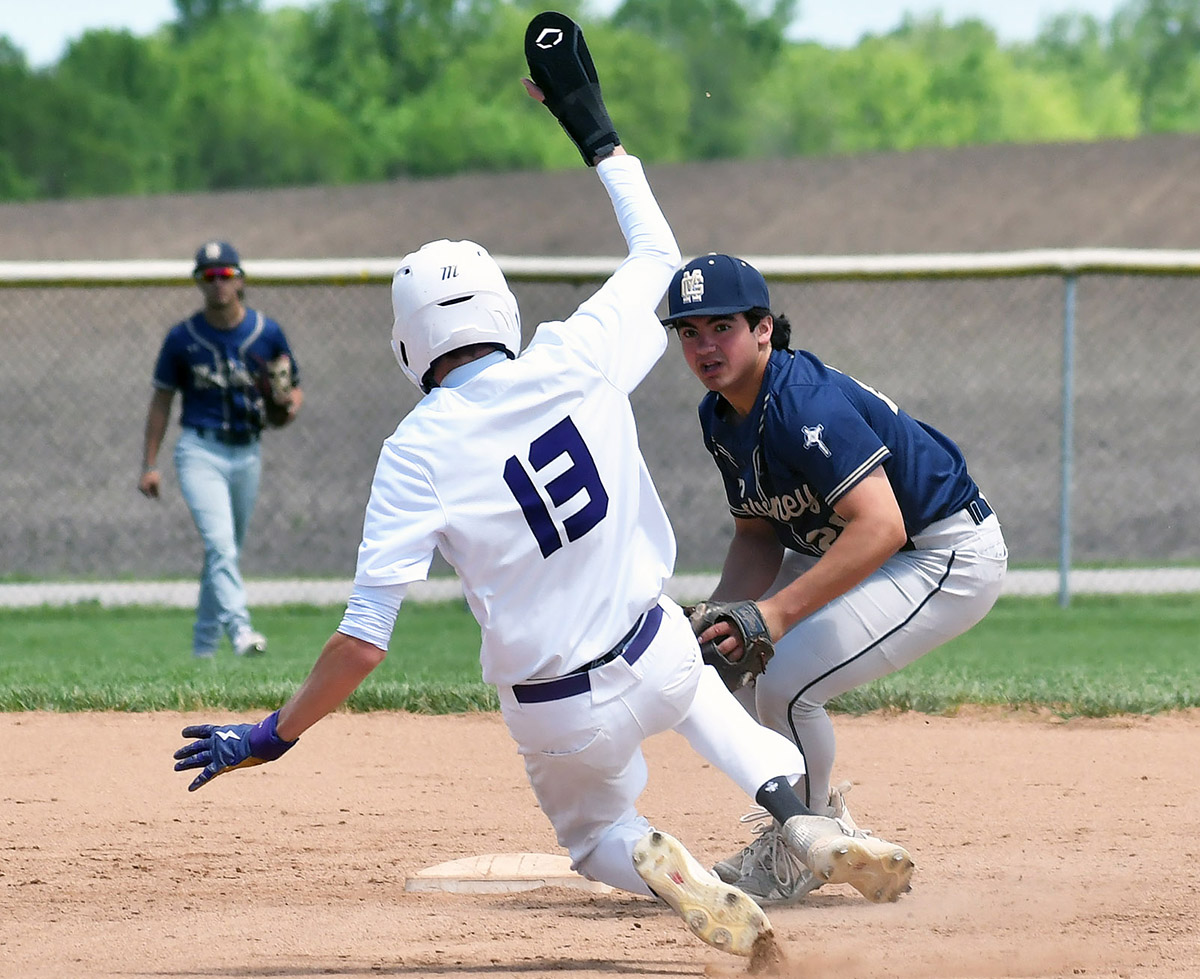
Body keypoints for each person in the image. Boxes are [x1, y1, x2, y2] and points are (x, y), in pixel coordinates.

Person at [171, 13, 914, 963]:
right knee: (697, 692)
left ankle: (654, 854)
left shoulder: (414, 450)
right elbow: (661, 256)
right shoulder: (575, 355)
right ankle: (798, 813)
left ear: (409, 344)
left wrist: (274, 732)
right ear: (500, 308)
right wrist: (592, 127)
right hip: (655, 647)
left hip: (556, 707)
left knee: (595, 832)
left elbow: (363, 644)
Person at [662, 252, 1009, 904]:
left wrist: (776, 615)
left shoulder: (799, 403)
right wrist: (724, 612)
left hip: (944, 551)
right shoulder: (720, 415)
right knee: (727, 666)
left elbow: (882, 526)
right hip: (868, 546)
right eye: (689, 331)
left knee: (788, 682)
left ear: (764, 328)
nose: (705, 345)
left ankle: (806, 841)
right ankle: (820, 827)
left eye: (721, 326)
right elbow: (757, 532)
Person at [139, 240, 303, 659]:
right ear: (199, 283)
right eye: (209, 276)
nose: (218, 284)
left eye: (225, 274)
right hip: (200, 450)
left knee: (223, 555)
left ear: (240, 279)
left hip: (247, 452)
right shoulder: (182, 338)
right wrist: (150, 464)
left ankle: (202, 652)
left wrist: (290, 403)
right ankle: (241, 630)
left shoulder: (267, 333)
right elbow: (162, 400)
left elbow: (291, 390)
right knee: (221, 547)